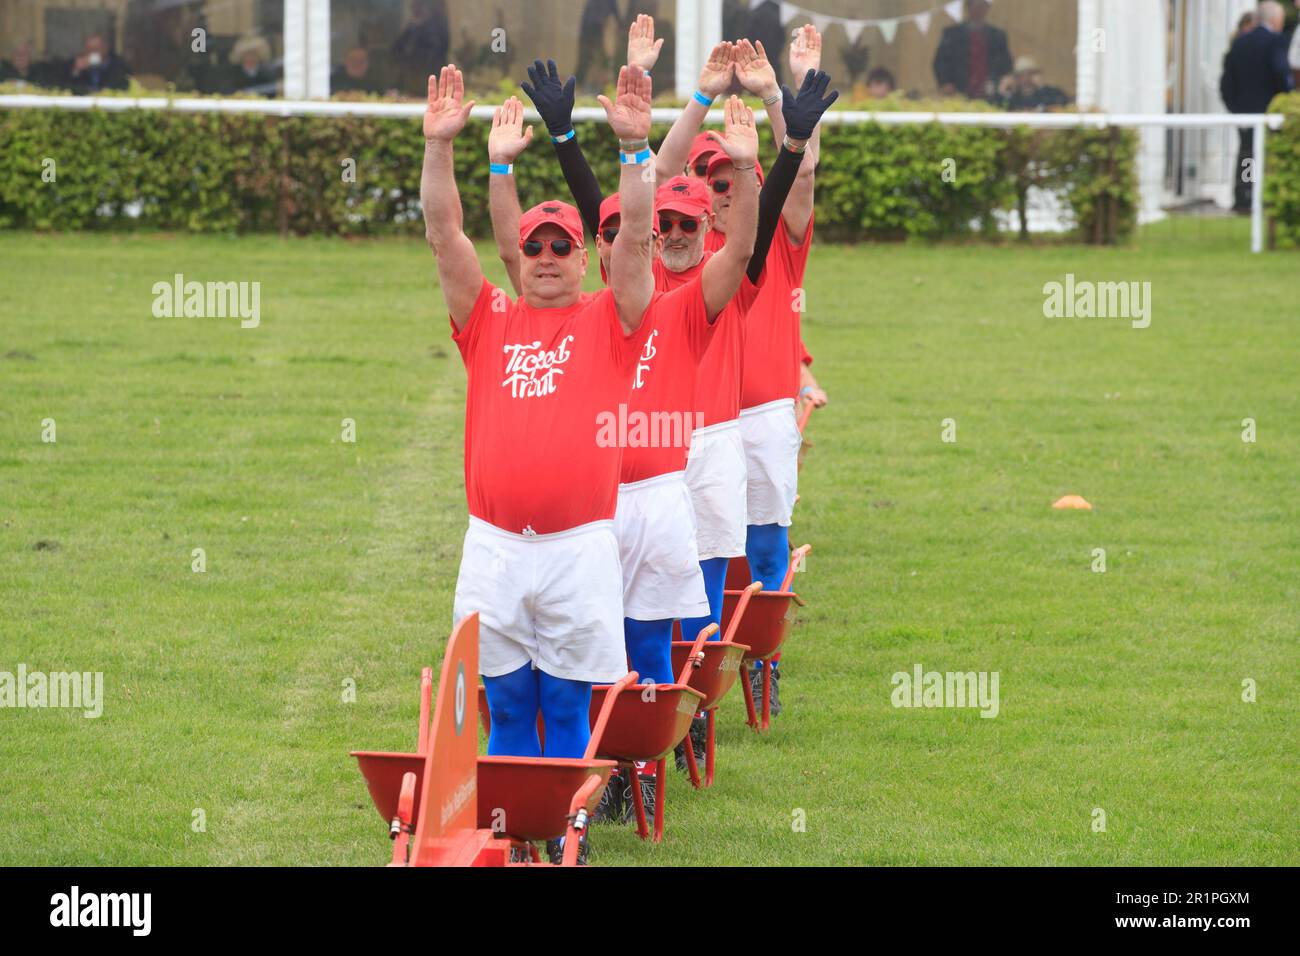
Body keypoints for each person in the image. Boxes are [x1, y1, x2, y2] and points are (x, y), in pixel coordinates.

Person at [424, 62, 656, 865]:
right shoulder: (488, 318)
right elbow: (445, 238)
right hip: (492, 547)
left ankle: (563, 837)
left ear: (581, 260)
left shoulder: (610, 319)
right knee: (508, 702)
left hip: (577, 549)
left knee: (565, 704)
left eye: (563, 245)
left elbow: (634, 242)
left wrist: (635, 152)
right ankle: (519, 840)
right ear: (519, 259)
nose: (550, 254)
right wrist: (443, 150)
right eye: (536, 245)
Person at [1220, 2, 1295, 212]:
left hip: (1243, 110)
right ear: (1276, 20)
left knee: (1247, 154)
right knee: (1270, 155)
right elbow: (1281, 73)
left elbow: (1227, 81)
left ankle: (1245, 195)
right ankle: (1269, 195)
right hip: (1270, 111)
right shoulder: (1277, 41)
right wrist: (1287, 99)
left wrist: (1234, 107)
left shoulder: (1239, 42)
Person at [932, 0, 1012, 101]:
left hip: (990, 92)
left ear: (987, 9)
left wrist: (1005, 78)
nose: (979, 10)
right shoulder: (952, 34)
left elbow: (1006, 63)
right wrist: (945, 82)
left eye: (983, 6)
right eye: (976, 6)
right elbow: (940, 61)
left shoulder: (998, 35)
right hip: (958, 91)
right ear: (968, 7)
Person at [998, 56, 1069, 111]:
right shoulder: (1013, 97)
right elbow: (999, 110)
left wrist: (1042, 88)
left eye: (1030, 74)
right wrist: (1004, 93)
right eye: (1020, 76)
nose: (1025, 80)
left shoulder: (1053, 93)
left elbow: (1063, 105)